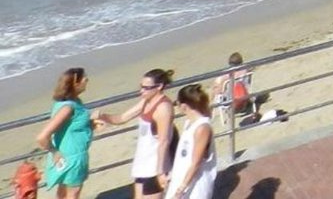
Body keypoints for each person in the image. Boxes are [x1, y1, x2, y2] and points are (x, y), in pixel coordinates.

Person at [97, 68, 175, 198]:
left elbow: (163, 141)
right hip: (142, 165)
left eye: (146, 88)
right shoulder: (146, 101)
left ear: (159, 86)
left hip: (154, 168)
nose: (142, 91)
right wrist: (103, 116)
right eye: (141, 87)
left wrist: (160, 172)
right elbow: (122, 118)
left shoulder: (163, 108)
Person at [36, 67, 92, 199]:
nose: (87, 79)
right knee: (73, 193)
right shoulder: (68, 107)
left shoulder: (71, 102)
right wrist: (54, 152)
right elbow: (42, 137)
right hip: (71, 157)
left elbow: (70, 126)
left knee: (62, 193)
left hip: (67, 155)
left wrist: (90, 125)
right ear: (75, 84)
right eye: (84, 78)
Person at [164, 85, 217, 199]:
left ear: (183, 106)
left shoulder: (202, 128)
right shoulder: (189, 123)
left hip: (196, 185)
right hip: (182, 179)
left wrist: (181, 190)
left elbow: (196, 163)